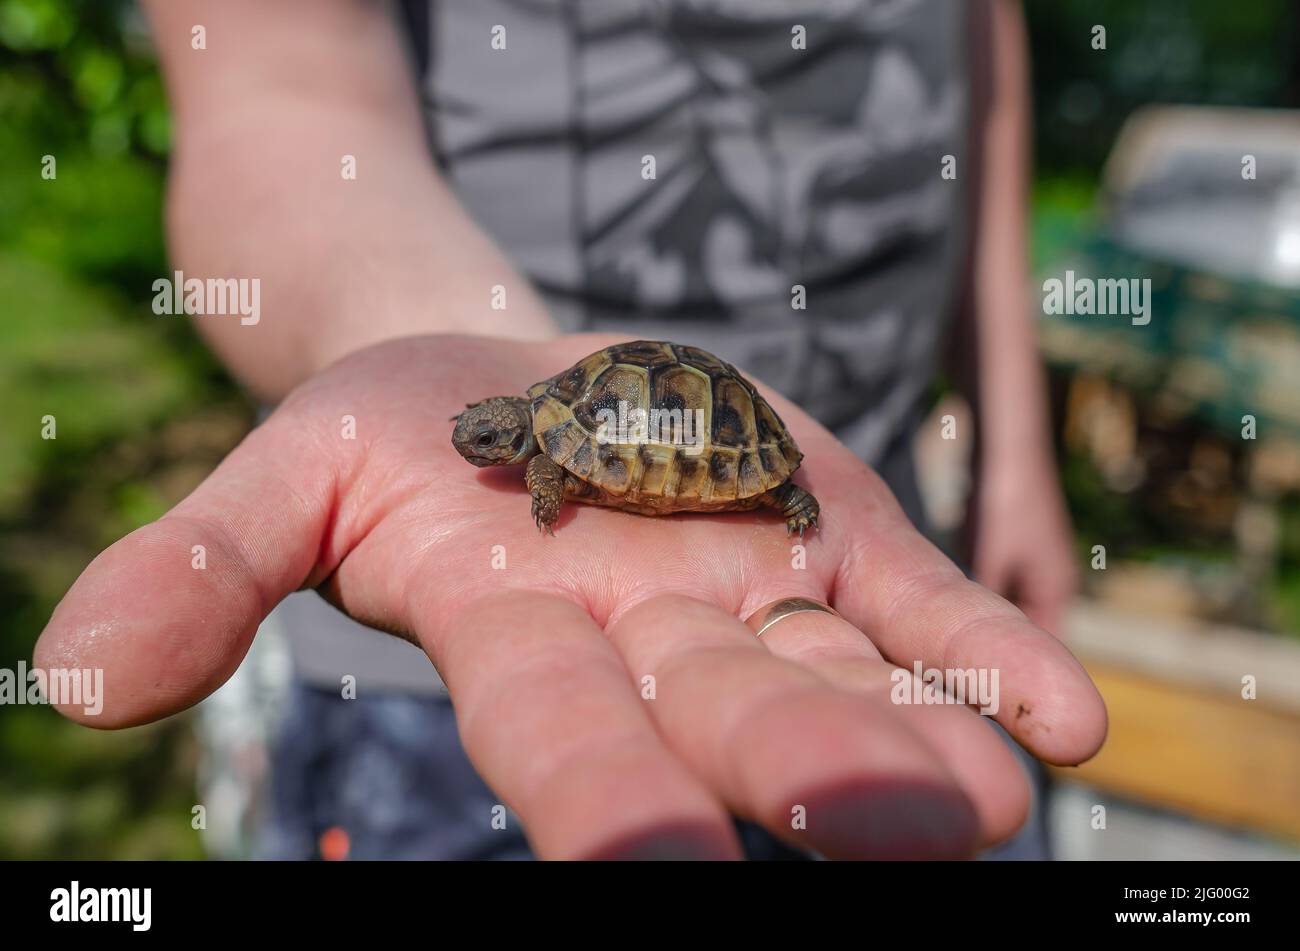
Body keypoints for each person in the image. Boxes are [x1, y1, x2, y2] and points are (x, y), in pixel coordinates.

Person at [36, 0, 1101, 860]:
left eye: (496, 443)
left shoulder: (565, 448)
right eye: (495, 442)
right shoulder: (543, 443)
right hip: (449, 706)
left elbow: (979, 45)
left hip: (882, 561)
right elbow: (281, 97)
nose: (492, 455)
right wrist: (433, 338)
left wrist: (1014, 453)